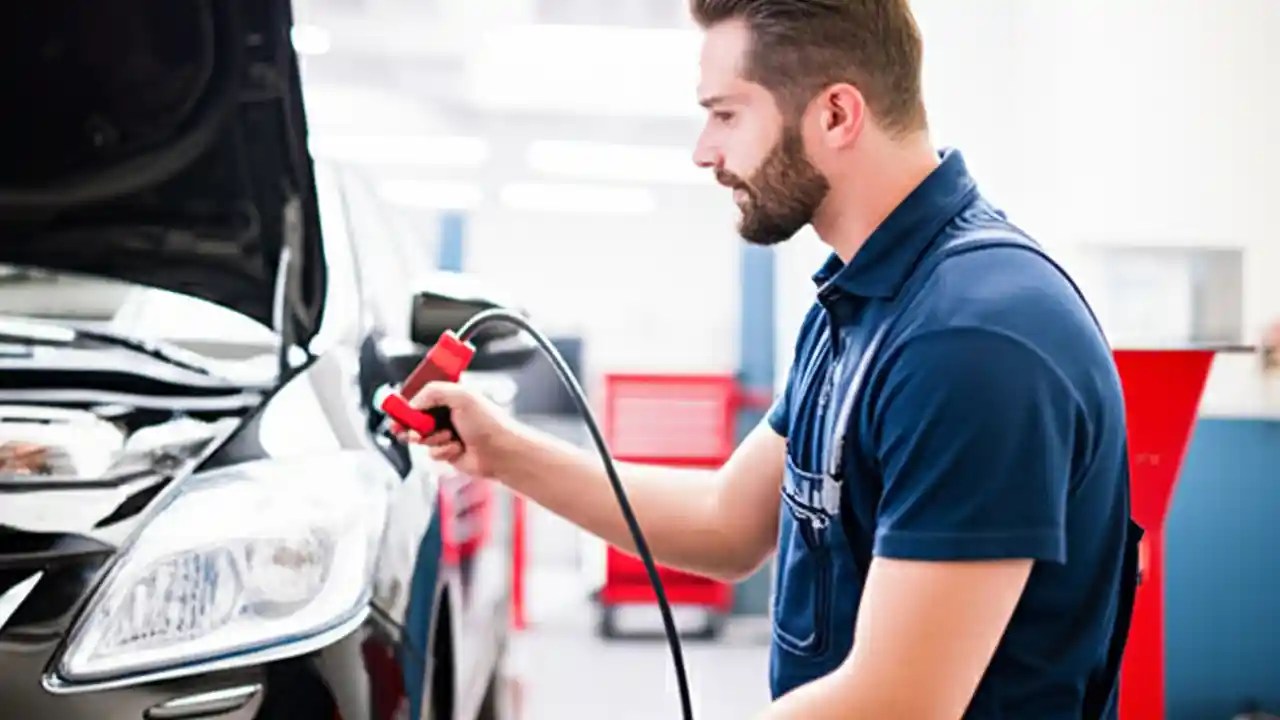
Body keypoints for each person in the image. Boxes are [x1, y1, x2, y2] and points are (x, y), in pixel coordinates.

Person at [401, 1, 1139, 717]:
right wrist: (500, 451)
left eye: (726, 113)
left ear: (836, 115)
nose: (704, 151)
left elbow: (900, 703)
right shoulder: (865, 301)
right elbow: (727, 522)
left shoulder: (973, 336)